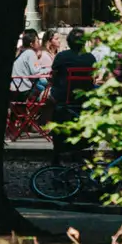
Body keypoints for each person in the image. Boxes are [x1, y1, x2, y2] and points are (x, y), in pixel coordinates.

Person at [47, 28, 97, 162]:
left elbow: (53, 76)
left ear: (68, 42)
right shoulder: (90, 58)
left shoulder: (62, 57)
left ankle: (45, 128)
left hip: (64, 97)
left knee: (48, 97)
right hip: (85, 98)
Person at [11, 28, 49, 96]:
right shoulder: (30, 52)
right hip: (22, 89)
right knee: (46, 91)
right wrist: (47, 70)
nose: (39, 44)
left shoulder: (24, 52)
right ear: (31, 44)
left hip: (15, 87)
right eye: (37, 42)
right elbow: (34, 72)